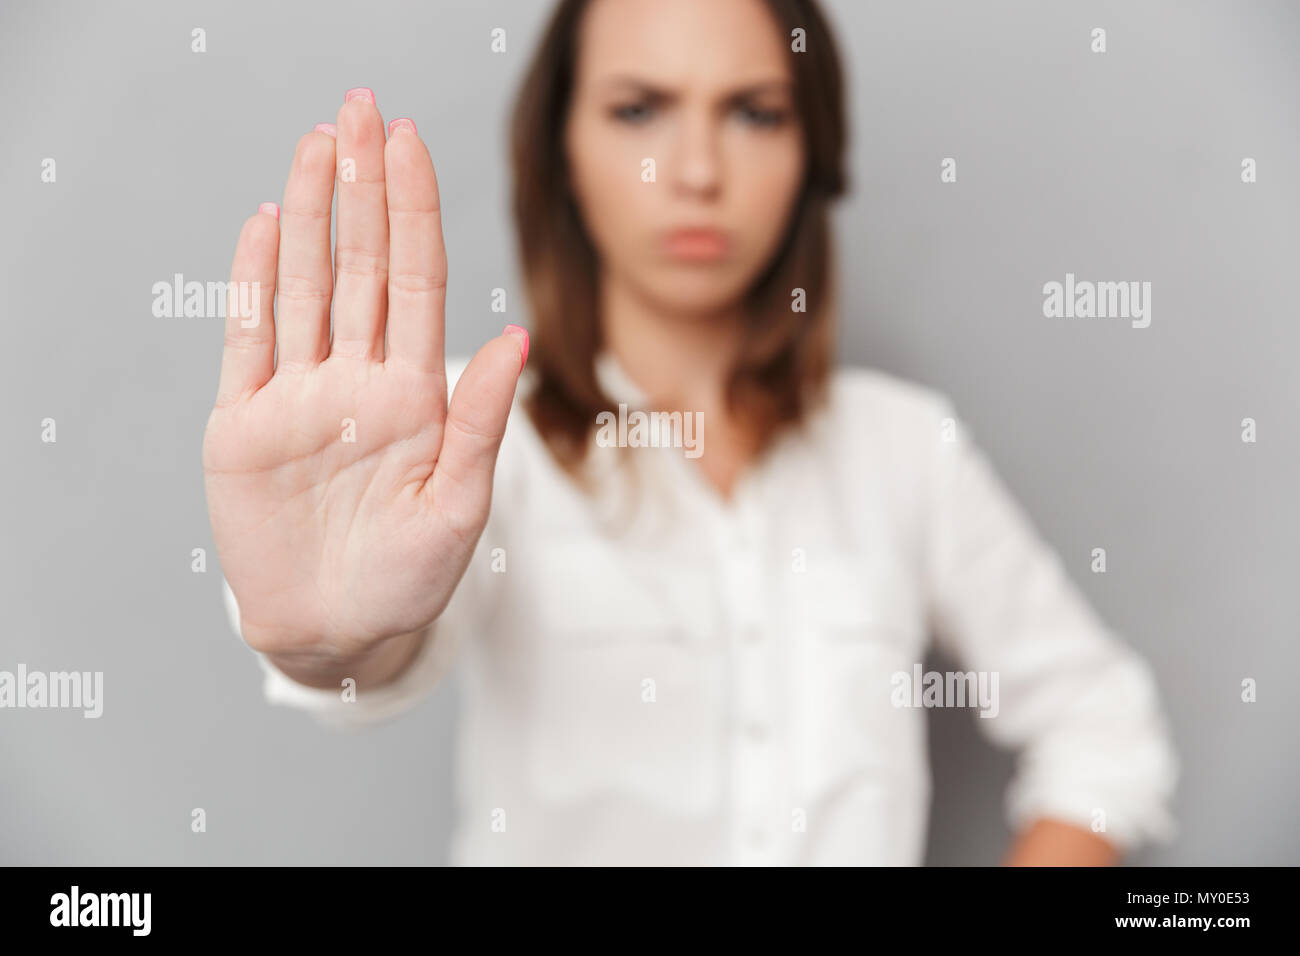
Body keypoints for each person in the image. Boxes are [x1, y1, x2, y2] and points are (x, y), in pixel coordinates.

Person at [204, 0, 1177, 865]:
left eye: (755, 111)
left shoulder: (904, 447)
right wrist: (325, 643)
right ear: (562, 151)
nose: (698, 170)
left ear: (813, 152)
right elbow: (369, 655)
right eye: (638, 109)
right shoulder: (460, 430)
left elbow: (1105, 727)